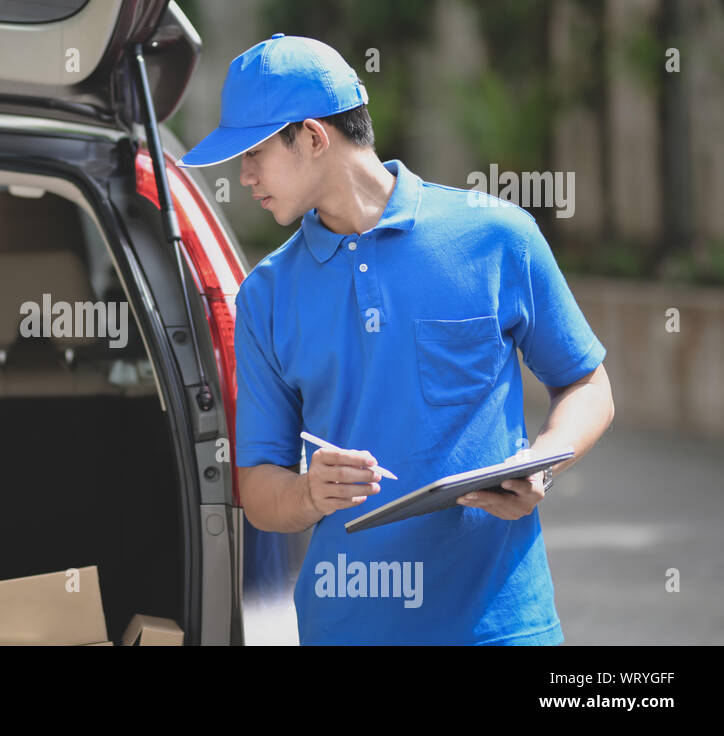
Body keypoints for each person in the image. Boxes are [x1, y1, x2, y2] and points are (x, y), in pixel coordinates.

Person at [179, 35, 615, 644]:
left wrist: (540, 464)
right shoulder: (265, 296)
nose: (243, 176)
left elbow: (587, 384)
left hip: (501, 626)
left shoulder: (497, 237)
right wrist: (308, 491)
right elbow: (257, 489)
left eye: (253, 152)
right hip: (346, 628)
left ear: (311, 137)